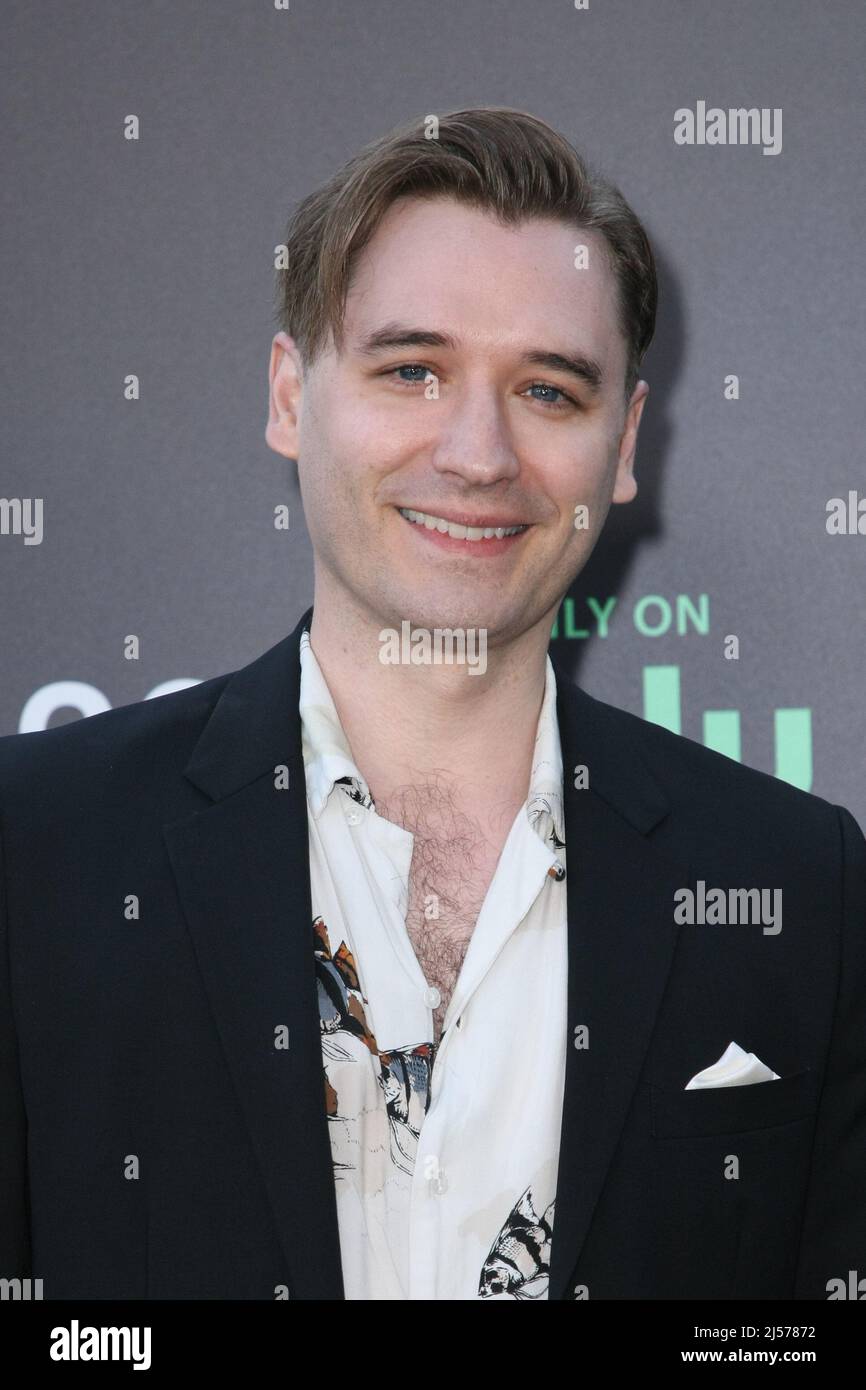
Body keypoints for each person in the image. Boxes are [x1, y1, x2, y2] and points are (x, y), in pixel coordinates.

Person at [1, 107, 863, 1302]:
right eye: (413, 369)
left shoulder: (797, 886)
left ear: (622, 446)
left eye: (548, 391)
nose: (476, 452)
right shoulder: (34, 847)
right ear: (292, 395)